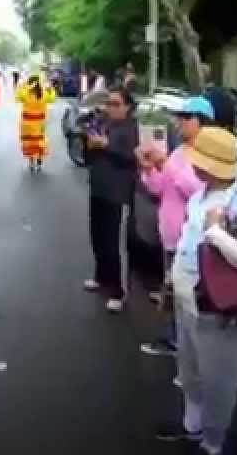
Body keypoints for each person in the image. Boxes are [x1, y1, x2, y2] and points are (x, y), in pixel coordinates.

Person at [154, 127, 237, 454]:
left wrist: (216, 232)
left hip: (220, 309)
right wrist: (172, 284)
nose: (196, 168)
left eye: (202, 163)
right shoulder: (208, 187)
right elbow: (190, 238)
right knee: (190, 371)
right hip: (190, 298)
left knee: (219, 382)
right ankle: (193, 427)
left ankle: (214, 443)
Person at [138, 96, 213, 357]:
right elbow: (161, 189)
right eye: (179, 117)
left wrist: (164, 164)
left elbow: (197, 191)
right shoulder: (179, 152)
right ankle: (175, 340)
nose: (180, 123)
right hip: (170, 237)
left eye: (187, 118)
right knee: (172, 291)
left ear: (203, 123)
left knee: (186, 296)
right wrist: (149, 170)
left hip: (189, 240)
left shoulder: (208, 156)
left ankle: (186, 348)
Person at [82, 86, 139, 313]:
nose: (111, 108)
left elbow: (130, 157)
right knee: (96, 234)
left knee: (112, 240)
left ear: (127, 106)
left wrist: (107, 146)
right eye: (109, 104)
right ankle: (101, 276)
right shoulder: (104, 123)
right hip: (98, 186)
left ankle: (117, 290)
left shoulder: (131, 129)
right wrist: (90, 144)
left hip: (117, 191)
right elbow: (89, 154)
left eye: (116, 104)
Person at [16, 74, 57, 172]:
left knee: (29, 143)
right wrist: (51, 89)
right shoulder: (44, 93)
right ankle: (39, 164)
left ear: (29, 82)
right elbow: (52, 99)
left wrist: (22, 85)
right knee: (40, 142)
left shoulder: (26, 93)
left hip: (27, 124)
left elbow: (17, 97)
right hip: (40, 123)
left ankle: (31, 164)